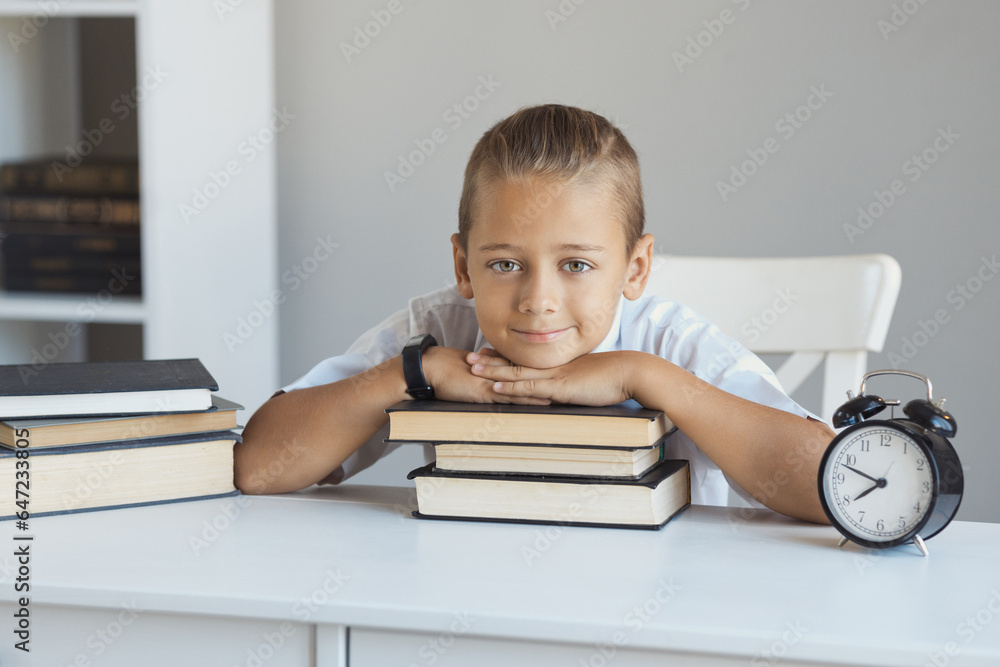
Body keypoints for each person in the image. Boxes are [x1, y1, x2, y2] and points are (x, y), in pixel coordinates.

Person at [235, 104, 834, 523]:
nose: (537, 300)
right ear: (463, 265)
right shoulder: (439, 332)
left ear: (636, 269)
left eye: (575, 265)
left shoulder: (671, 344)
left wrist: (646, 377)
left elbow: (826, 486)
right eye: (503, 264)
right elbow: (259, 468)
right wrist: (411, 374)